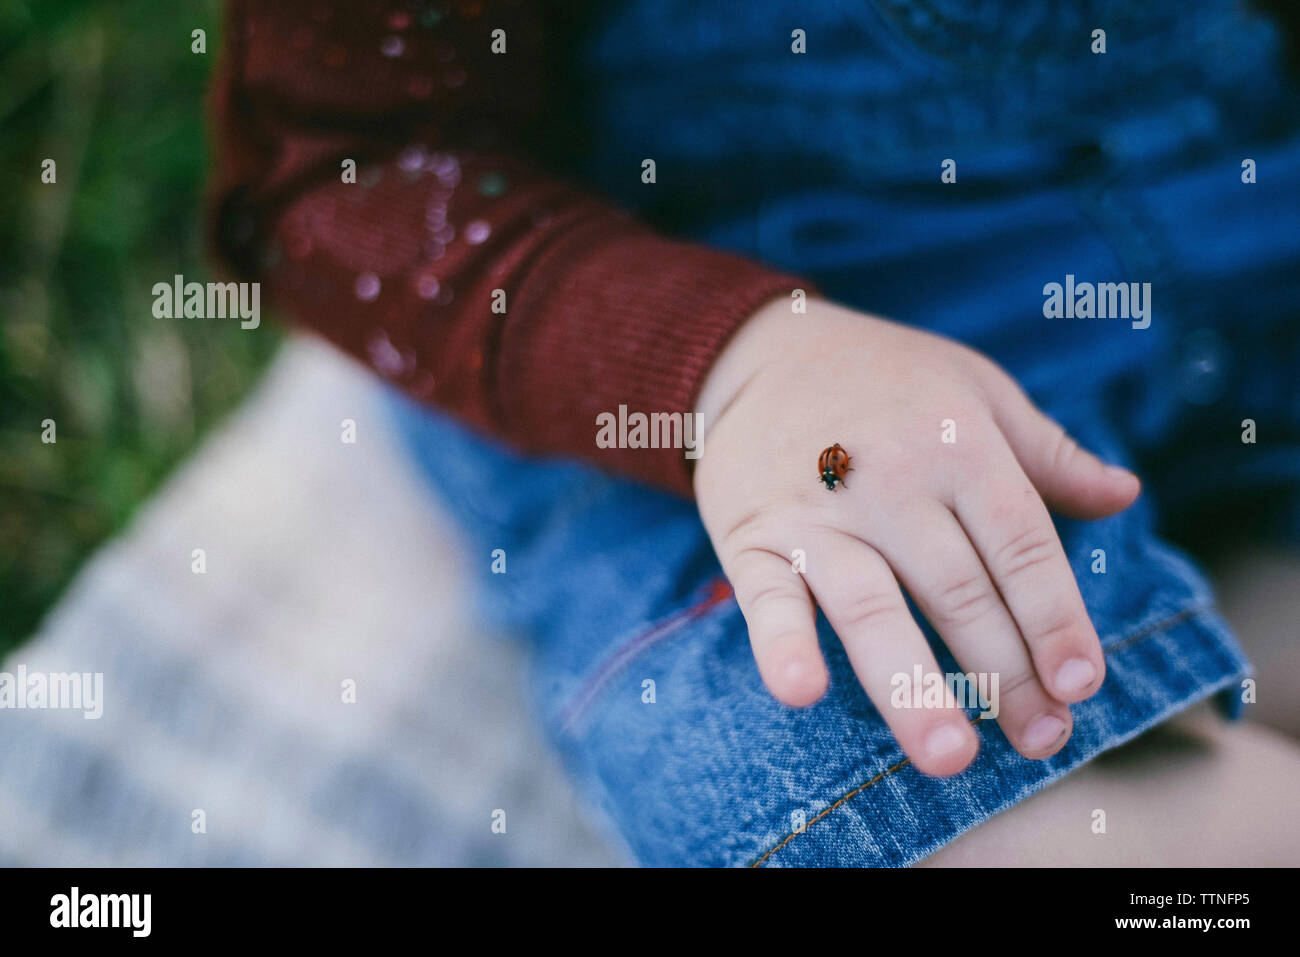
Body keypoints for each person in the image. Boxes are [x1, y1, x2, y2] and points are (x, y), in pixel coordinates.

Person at [210, 0, 1300, 865]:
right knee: (827, 764)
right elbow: (339, 173)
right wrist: (731, 370)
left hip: (1227, 242)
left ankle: (1188, 661)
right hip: (686, 359)